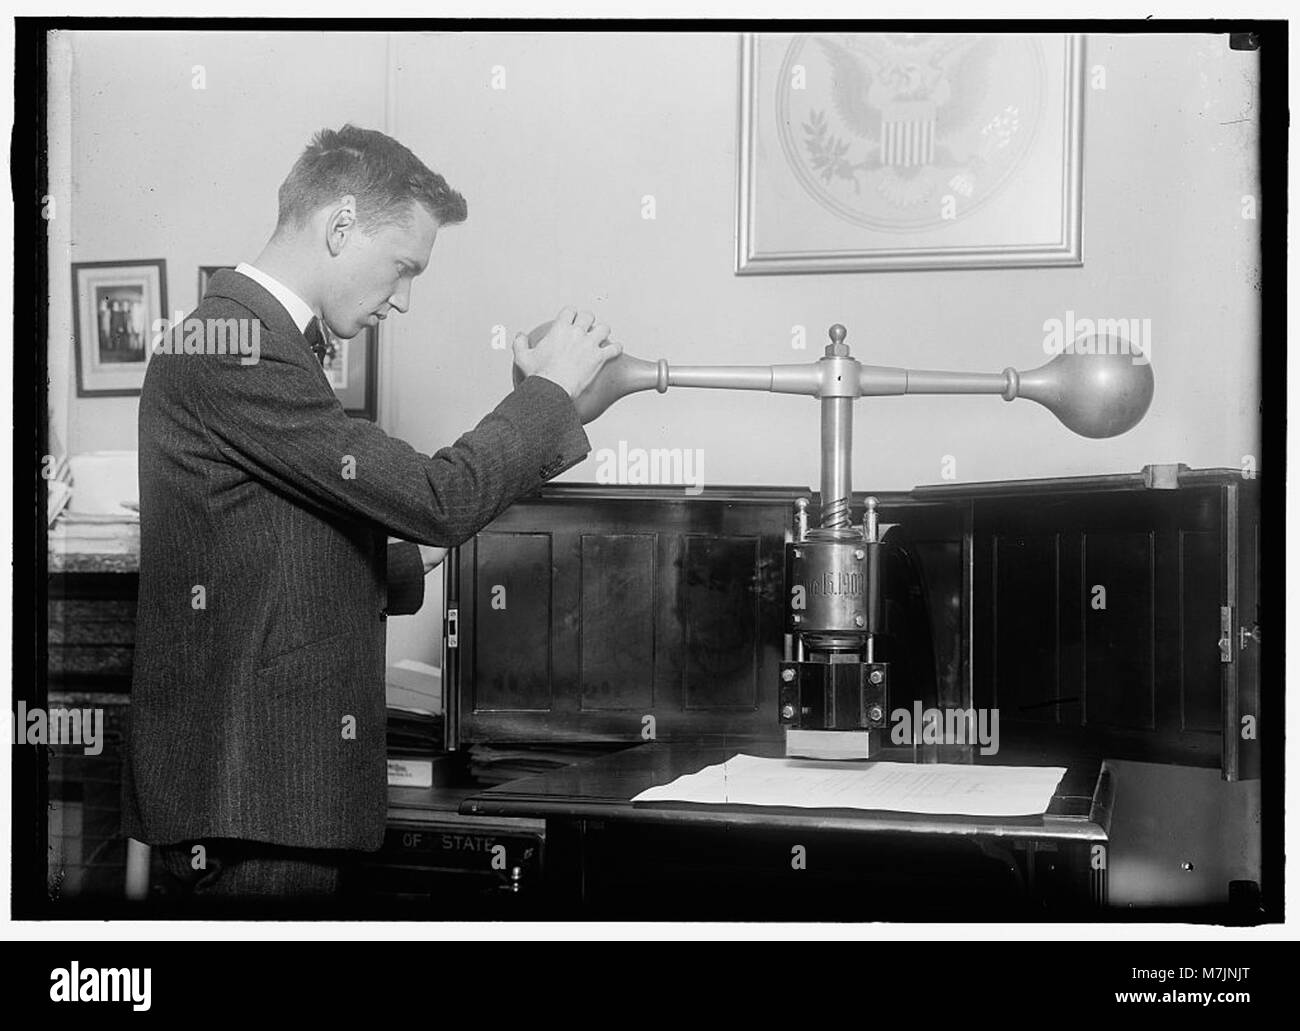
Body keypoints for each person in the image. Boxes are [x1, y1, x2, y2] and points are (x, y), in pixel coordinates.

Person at [122, 124, 618, 905]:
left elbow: (282, 543)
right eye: (404, 268)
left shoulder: (259, 338)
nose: (406, 298)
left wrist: (414, 548)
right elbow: (434, 497)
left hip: (273, 799)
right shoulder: (236, 347)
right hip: (261, 801)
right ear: (340, 225)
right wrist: (546, 395)